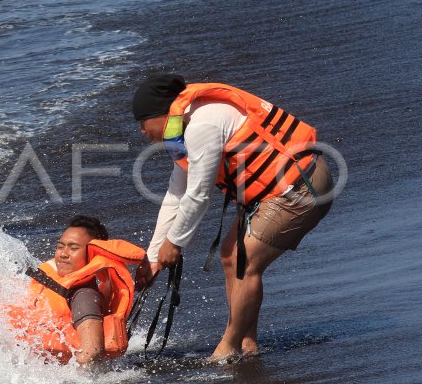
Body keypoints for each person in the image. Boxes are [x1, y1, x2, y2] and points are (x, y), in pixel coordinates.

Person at [132, 75, 337, 361]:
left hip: (302, 187)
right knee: (231, 257)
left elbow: (199, 194)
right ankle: (247, 344)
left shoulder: (201, 126)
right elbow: (176, 195)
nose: (142, 131)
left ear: (163, 114)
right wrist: (153, 257)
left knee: (243, 260)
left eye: (142, 123)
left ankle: (227, 346)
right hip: (275, 193)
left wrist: (175, 243)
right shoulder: (184, 126)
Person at [11, 215, 146, 365]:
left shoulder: (84, 296)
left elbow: (92, 350)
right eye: (60, 246)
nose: (63, 254)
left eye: (74, 248)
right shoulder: (60, 283)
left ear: (93, 254)